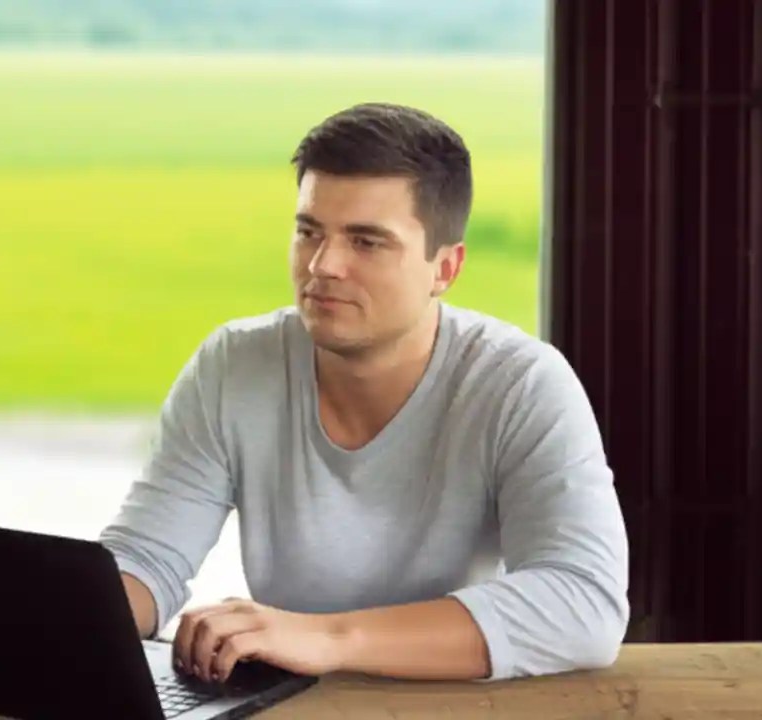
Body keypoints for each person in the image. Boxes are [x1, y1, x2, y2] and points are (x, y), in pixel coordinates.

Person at [98, 102, 629, 683]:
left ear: (445, 269)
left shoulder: (520, 383)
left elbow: (583, 601)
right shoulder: (233, 364)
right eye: (308, 232)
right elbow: (147, 560)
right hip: (292, 703)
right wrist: (64, 621)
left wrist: (326, 638)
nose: (323, 265)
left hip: (457, 701)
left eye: (367, 242)